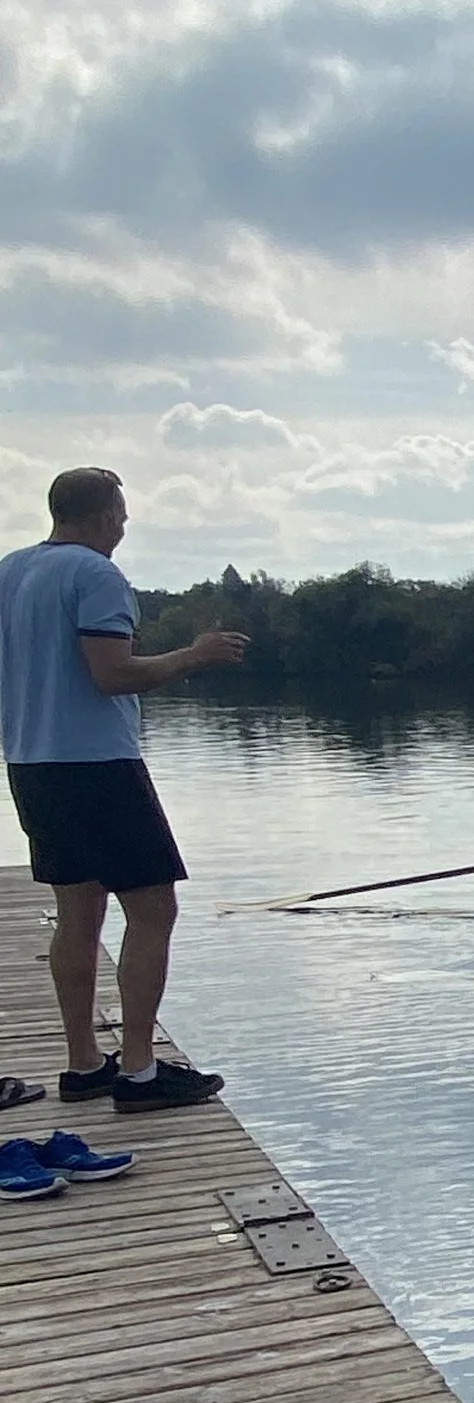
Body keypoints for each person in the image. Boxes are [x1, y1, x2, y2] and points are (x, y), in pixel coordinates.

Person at [0, 466, 246, 1110]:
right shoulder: (96, 574)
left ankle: (83, 1064)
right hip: (97, 765)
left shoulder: (11, 571)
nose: (126, 524)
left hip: (31, 762)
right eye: (123, 512)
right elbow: (112, 674)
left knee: (78, 912)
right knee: (153, 909)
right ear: (104, 514)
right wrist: (194, 654)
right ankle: (139, 1071)